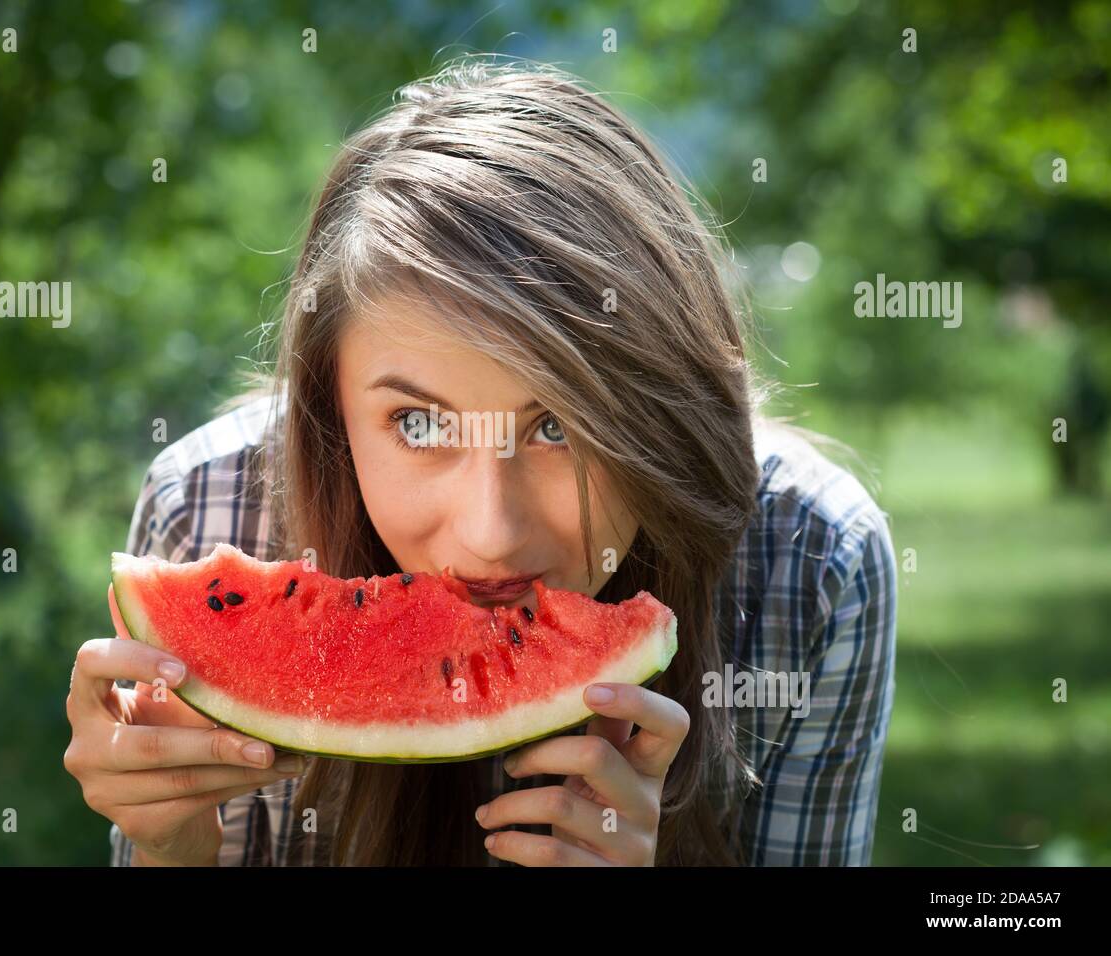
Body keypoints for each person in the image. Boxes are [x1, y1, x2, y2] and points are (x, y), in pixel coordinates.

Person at [64, 56, 897, 866]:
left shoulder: (813, 560)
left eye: (560, 427)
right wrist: (171, 852)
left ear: (655, 409)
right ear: (329, 408)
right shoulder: (206, 503)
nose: (492, 533)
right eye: (419, 426)